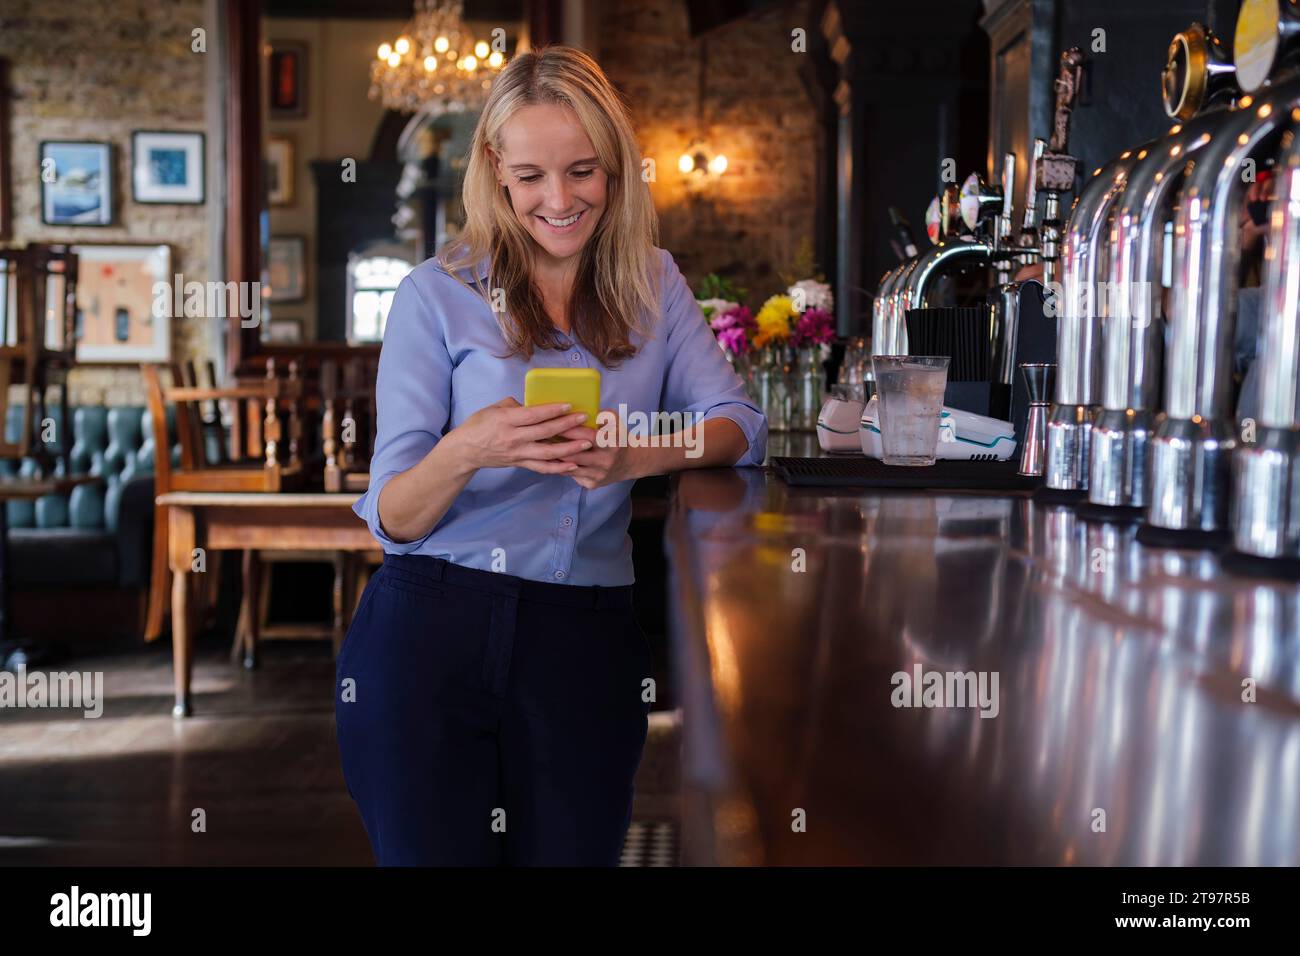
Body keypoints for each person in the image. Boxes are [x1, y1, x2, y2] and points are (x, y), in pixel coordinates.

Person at [334, 44, 767, 866]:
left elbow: (742, 426)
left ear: (615, 167)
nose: (559, 200)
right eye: (531, 175)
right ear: (495, 168)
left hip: (585, 639)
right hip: (430, 629)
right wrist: (469, 447)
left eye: (583, 171)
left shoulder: (655, 281)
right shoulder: (435, 293)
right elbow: (392, 515)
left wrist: (637, 454)